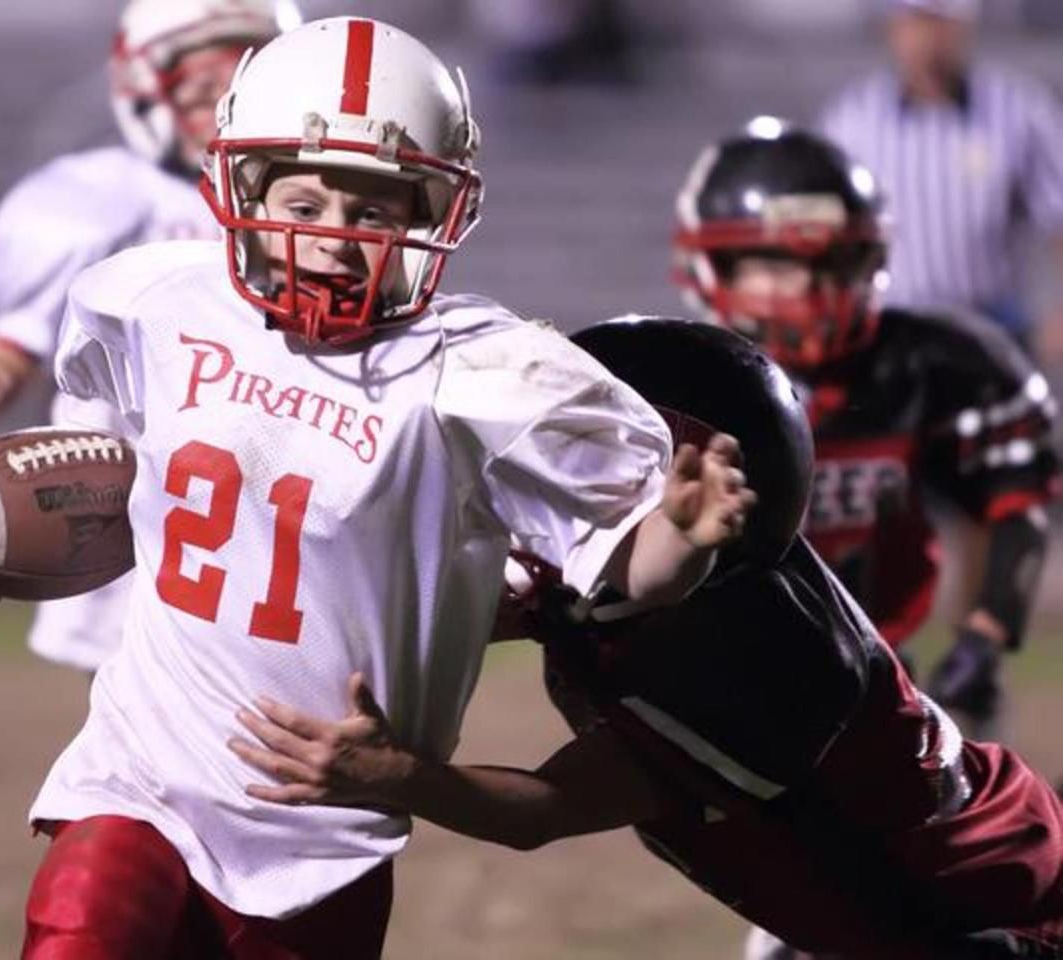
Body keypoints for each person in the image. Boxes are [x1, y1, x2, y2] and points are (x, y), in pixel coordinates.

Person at [0, 19, 754, 959]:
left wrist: (684, 537)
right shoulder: (156, 300)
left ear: (435, 212)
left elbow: (629, 573)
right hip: (139, 776)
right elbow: (133, 481)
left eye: (376, 212)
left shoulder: (487, 373)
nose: (335, 241)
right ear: (241, 188)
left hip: (327, 822)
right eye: (305, 203)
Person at [227, 318, 1063, 960]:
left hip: (997, 918)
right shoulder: (688, 580)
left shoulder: (733, 660)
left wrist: (395, 776)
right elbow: (513, 602)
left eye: (585, 451)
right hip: (930, 883)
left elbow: (541, 810)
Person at [0, 0, 299, 674]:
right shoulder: (105, 194)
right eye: (208, 88)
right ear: (148, 90)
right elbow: (29, 325)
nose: (230, 108)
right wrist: (6, 351)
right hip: (138, 492)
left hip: (271, 478)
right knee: (134, 694)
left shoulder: (306, 202)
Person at [672, 119, 1060, 737]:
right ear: (712, 264)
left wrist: (985, 636)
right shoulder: (671, 382)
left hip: (874, 670)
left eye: (832, 261)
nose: (808, 289)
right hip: (708, 679)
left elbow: (1013, 501)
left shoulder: (923, 363)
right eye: (772, 263)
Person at [818, 0, 1063, 358]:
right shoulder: (852, 118)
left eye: (939, 23)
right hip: (885, 333)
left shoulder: (1018, 109)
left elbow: (1058, 218)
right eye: (916, 22)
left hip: (992, 331)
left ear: (966, 27)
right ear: (893, 27)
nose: (928, 39)